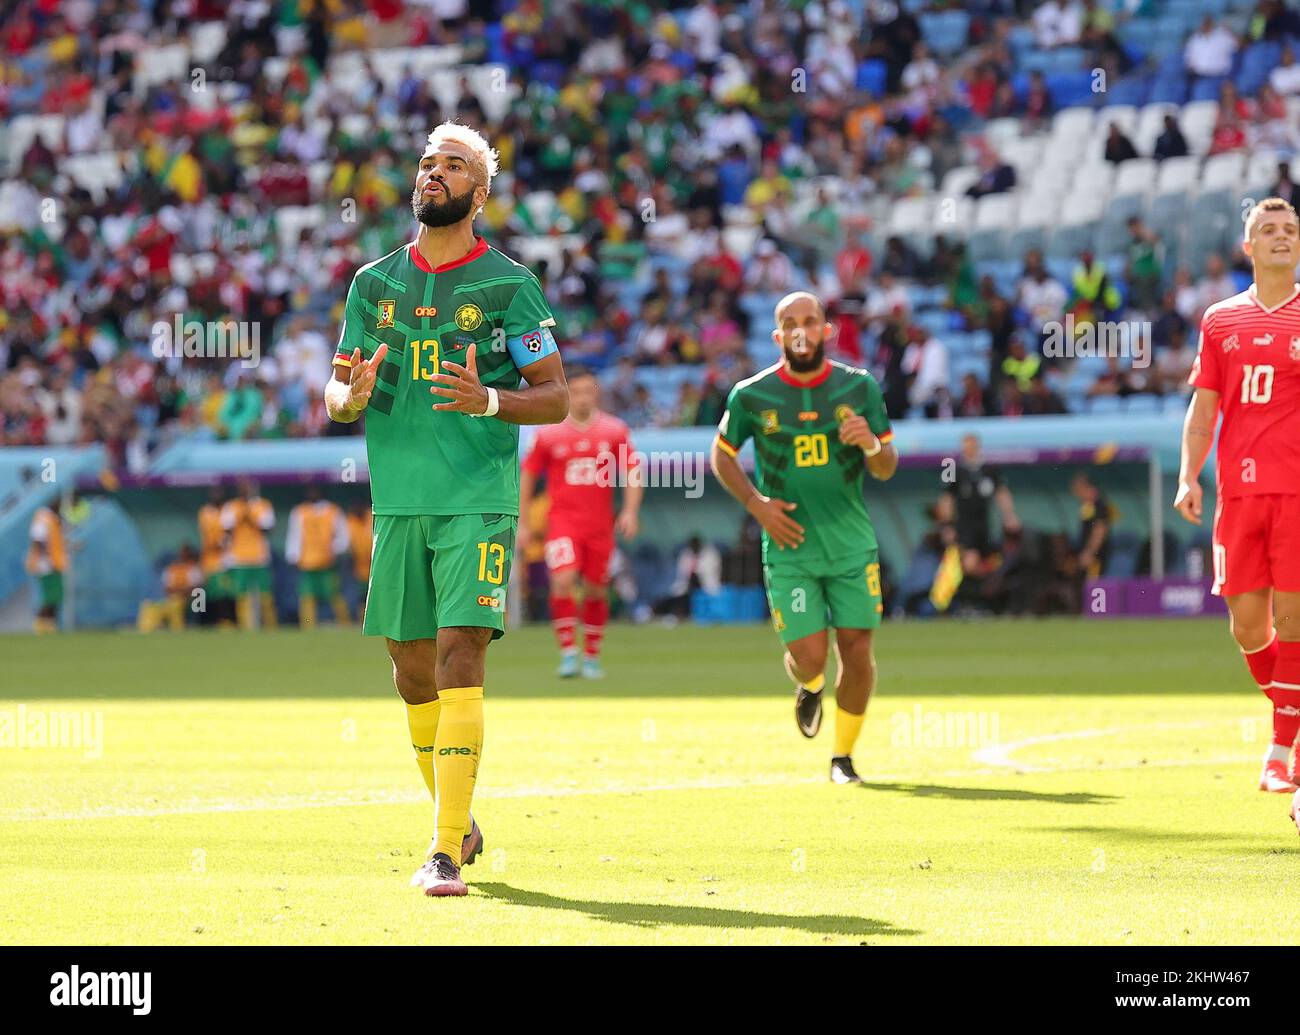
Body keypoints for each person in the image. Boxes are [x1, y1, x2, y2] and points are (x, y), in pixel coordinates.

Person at [323, 121, 569, 897]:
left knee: (462, 653)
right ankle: (457, 820)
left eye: (453, 165)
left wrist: (491, 397)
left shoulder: (507, 286)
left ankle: (442, 851)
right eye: (428, 163)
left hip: (478, 498)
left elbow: (557, 396)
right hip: (398, 500)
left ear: (479, 193)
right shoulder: (373, 284)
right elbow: (335, 390)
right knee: (410, 673)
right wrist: (346, 398)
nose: (434, 173)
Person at [710, 290, 898, 785]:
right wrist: (757, 505)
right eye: (789, 322)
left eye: (809, 320)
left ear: (825, 329)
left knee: (857, 650)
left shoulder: (859, 388)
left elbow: (886, 467)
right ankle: (811, 685)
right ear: (777, 335)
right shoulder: (751, 394)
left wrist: (871, 443)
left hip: (851, 544)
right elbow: (721, 454)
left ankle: (843, 758)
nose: (800, 329)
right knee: (811, 656)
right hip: (789, 545)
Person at [1174, 197, 1300, 802]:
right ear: (1248, 247)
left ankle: (1280, 750)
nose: (1281, 238)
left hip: (1297, 491)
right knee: (1248, 626)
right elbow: (1205, 407)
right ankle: (1292, 715)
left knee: (1292, 618)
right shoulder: (1220, 320)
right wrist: (1186, 476)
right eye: (1269, 230)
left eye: (1290, 230)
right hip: (1239, 493)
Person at [518, 366, 642, 678]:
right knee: (563, 579)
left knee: (596, 589)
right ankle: (568, 651)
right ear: (567, 393)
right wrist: (522, 522)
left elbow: (632, 472)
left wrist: (629, 511)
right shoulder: (547, 434)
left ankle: (591, 655)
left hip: (600, 526)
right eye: (577, 391)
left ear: (597, 392)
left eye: (589, 391)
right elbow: (528, 475)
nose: (584, 398)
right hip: (562, 523)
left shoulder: (614, 431)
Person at [286, 486, 351, 628]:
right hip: (307, 562)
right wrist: (293, 556)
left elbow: (343, 535)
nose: (312, 493)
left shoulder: (333, 511)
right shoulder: (299, 511)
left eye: (315, 490)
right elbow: (294, 536)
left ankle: (345, 625)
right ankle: (308, 626)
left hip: (327, 562)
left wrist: (335, 550)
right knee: (307, 596)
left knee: (334, 594)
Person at [221, 478, 277, 630]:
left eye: (247, 487)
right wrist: (241, 516)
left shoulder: (263, 505)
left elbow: (268, 528)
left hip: (259, 557)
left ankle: (271, 626)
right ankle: (245, 627)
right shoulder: (231, 506)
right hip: (239, 558)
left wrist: (251, 518)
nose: (244, 490)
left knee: (265, 595)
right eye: (241, 487)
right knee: (241, 596)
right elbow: (226, 529)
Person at [27, 496, 70, 633]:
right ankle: (40, 626)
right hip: (46, 564)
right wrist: (46, 559)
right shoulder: (43, 518)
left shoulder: (52, 519)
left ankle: (50, 626)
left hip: (53, 563)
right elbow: (37, 540)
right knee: (50, 596)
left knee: (56, 596)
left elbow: (55, 542)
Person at [345, 499, 373, 625]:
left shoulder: (372, 516)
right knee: (362, 596)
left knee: (377, 595)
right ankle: (362, 622)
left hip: (376, 565)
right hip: (359, 566)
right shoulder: (351, 521)